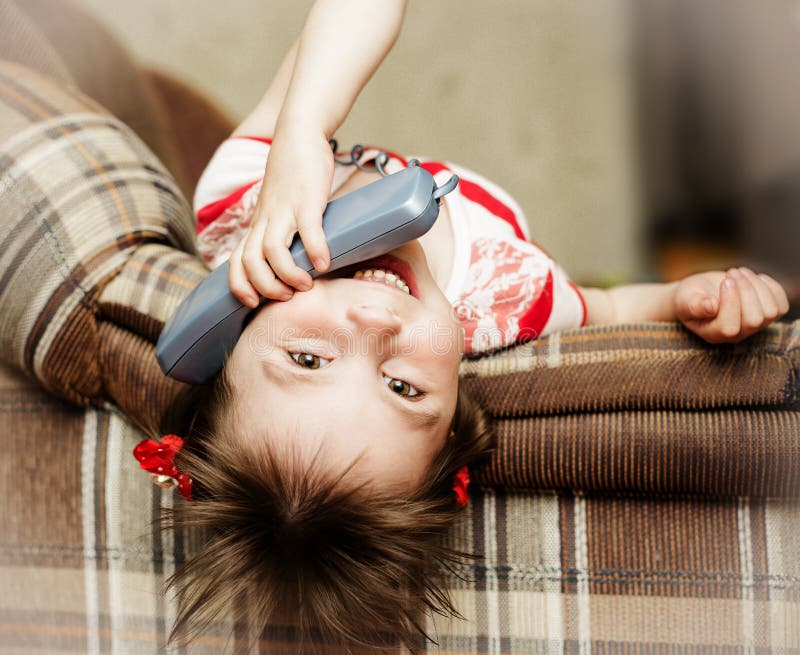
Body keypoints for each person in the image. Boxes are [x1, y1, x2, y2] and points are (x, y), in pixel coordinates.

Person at [140, 0, 791, 650]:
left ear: (229, 333)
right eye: (403, 388)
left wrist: (304, 130)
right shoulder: (510, 300)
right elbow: (612, 309)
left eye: (308, 359)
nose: (378, 319)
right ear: (453, 413)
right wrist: (688, 299)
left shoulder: (242, 202)